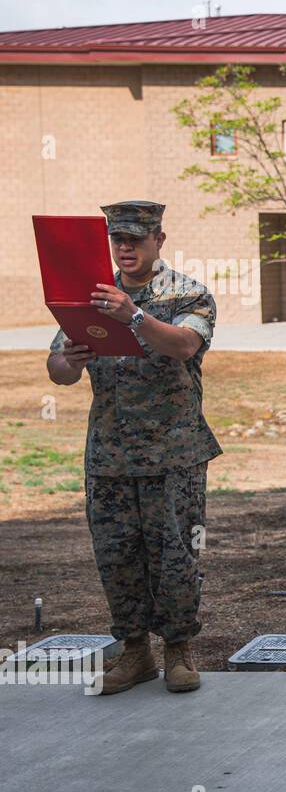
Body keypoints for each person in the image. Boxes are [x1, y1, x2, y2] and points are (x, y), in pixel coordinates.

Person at [46, 201, 222, 696]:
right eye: (117, 240)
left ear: (158, 241)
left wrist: (135, 317)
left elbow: (185, 346)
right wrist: (70, 360)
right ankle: (135, 652)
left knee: (176, 554)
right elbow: (57, 373)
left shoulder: (189, 293)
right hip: (110, 454)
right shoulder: (91, 297)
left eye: (136, 239)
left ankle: (179, 650)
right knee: (117, 556)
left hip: (174, 452)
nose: (125, 248)